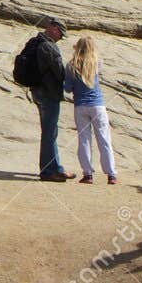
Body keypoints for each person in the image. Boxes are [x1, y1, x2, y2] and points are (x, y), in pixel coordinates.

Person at [16, 19, 71, 181]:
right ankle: (49, 171)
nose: (61, 37)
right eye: (60, 32)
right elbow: (60, 72)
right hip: (48, 93)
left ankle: (55, 167)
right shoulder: (48, 46)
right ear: (53, 28)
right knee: (49, 132)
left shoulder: (35, 41)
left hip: (38, 91)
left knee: (50, 131)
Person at [64, 35, 117, 185]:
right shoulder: (97, 63)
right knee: (104, 139)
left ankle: (88, 174)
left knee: (84, 140)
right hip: (97, 105)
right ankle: (111, 174)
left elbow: (67, 89)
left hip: (80, 105)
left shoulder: (71, 66)